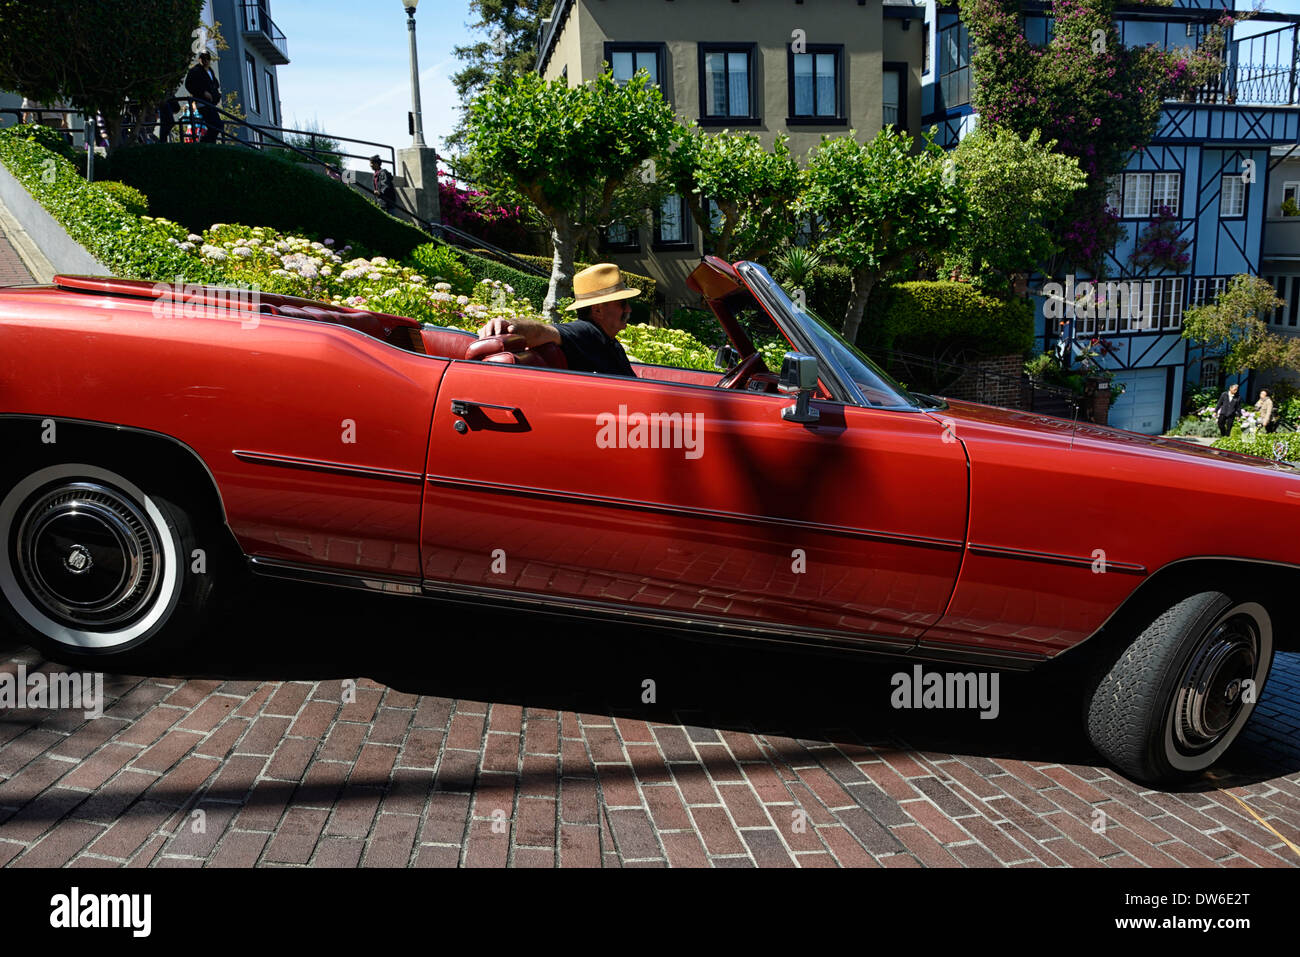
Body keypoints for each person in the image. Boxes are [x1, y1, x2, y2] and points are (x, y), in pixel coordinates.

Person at [475, 263, 639, 377]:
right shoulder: (584, 332)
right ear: (597, 310)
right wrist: (509, 326)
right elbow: (542, 332)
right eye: (622, 303)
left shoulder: (608, 341)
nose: (629, 309)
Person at [185, 51, 222, 143]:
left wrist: (216, 95)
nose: (205, 61)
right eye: (203, 58)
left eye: (207, 58)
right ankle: (205, 142)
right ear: (199, 59)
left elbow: (215, 84)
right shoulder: (195, 70)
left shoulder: (210, 71)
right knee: (216, 125)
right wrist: (202, 92)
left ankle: (208, 143)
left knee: (217, 125)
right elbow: (189, 85)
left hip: (210, 103)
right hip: (202, 103)